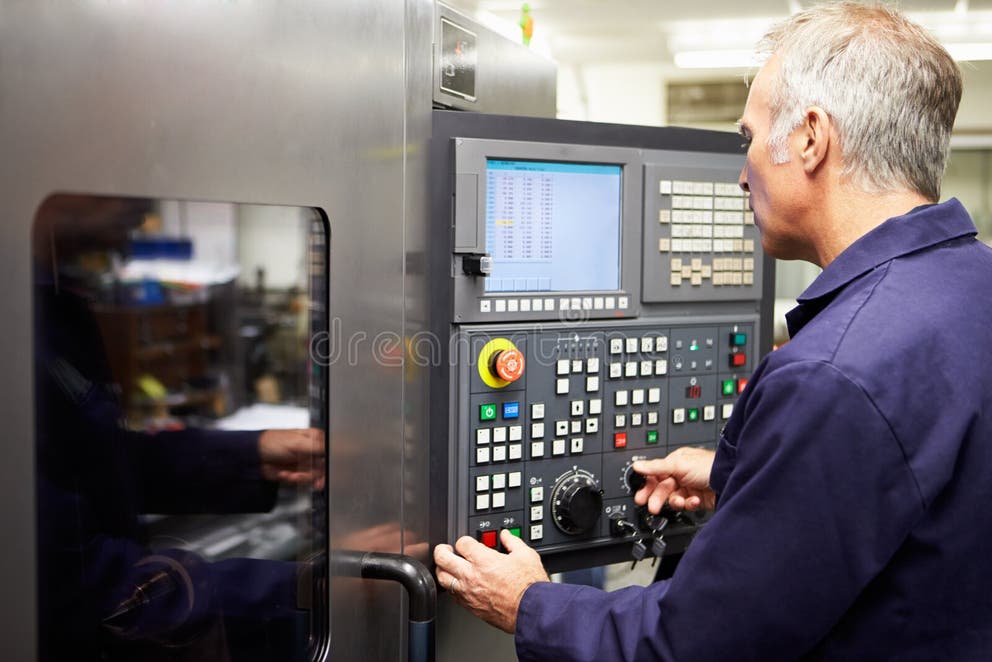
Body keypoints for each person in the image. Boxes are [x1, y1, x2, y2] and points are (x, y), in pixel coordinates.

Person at [434, 3, 992, 659]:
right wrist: (748, 477)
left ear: (811, 138)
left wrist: (530, 603)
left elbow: (692, 645)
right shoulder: (971, 285)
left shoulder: (833, 373)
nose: (741, 171)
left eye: (748, 139)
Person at [33, 194, 326, 660]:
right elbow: (80, 584)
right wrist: (309, 587)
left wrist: (254, 454)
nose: (143, 204)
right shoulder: (21, 322)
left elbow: (97, 461)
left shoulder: (51, 303)